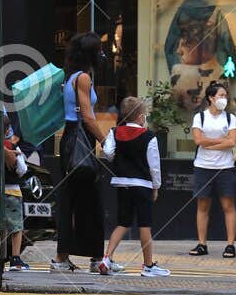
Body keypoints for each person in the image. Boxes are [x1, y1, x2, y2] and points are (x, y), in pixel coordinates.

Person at [52, 32, 106, 273]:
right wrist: (106, 140)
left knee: (72, 199)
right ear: (90, 54)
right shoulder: (83, 78)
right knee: (90, 201)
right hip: (81, 139)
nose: (102, 54)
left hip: (71, 139)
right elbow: (87, 115)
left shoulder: (71, 76)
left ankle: (63, 258)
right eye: (99, 50)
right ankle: (94, 259)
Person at [98, 96, 169, 276]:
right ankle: (148, 265)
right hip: (142, 185)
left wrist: (117, 160)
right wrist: (156, 187)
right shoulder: (149, 136)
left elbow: (107, 152)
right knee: (145, 225)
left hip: (122, 184)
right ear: (139, 117)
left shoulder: (115, 132)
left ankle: (107, 258)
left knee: (122, 223)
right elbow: (154, 165)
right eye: (144, 115)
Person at [187, 79, 236, 257]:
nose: (224, 98)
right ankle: (202, 244)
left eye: (225, 95)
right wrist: (221, 141)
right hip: (203, 166)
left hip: (225, 167)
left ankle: (230, 245)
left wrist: (211, 145)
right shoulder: (200, 117)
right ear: (211, 97)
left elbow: (232, 142)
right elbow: (198, 141)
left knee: (228, 205)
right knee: (202, 206)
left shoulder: (231, 118)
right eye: (221, 95)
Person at [0, 112, 30, 271]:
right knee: (16, 228)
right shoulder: (12, 147)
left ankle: (0, 256)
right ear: (7, 130)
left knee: (2, 227)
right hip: (13, 192)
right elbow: (22, 170)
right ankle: (16, 259)